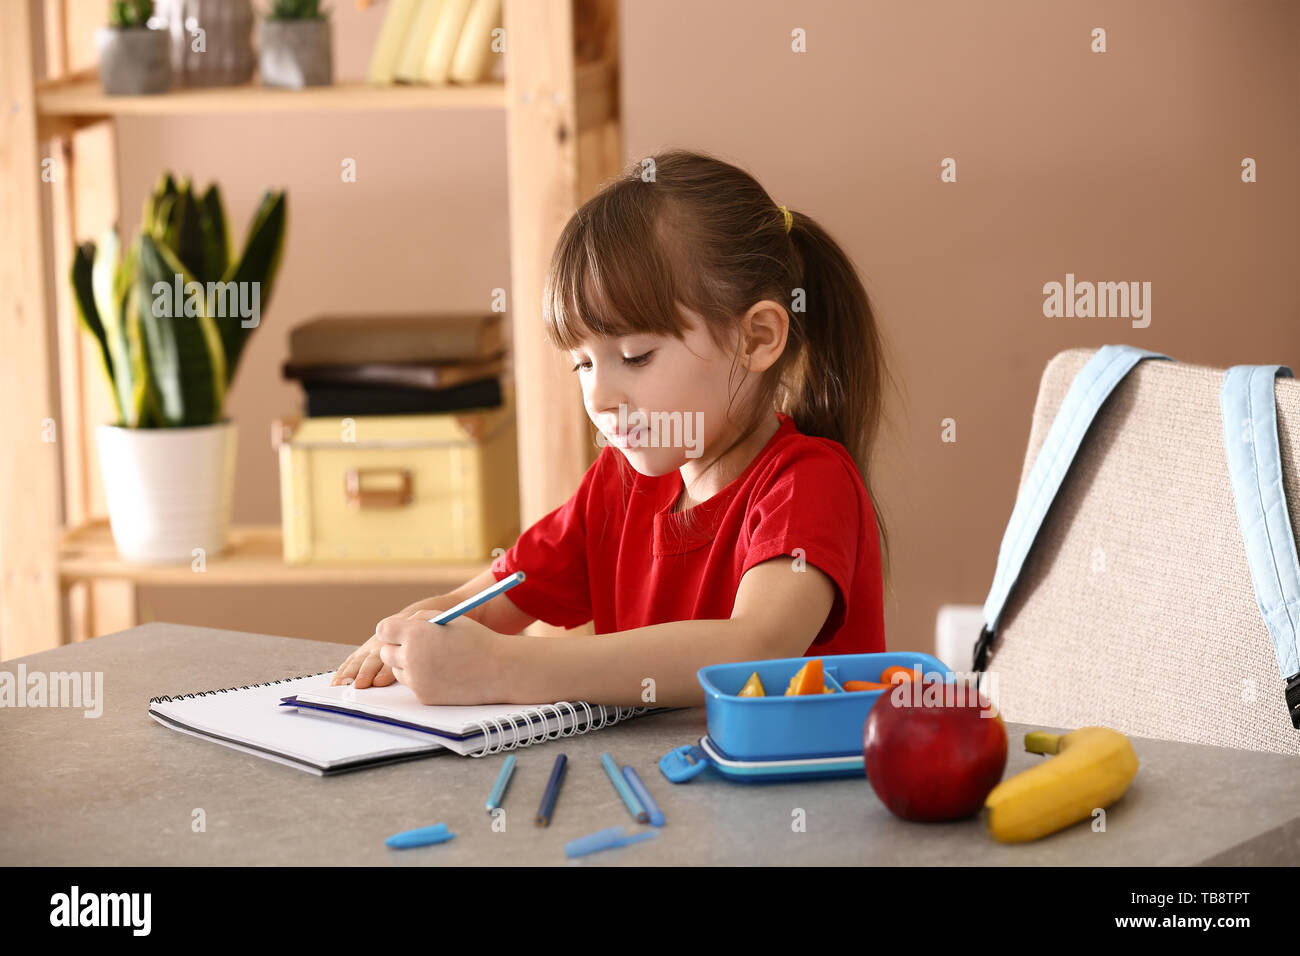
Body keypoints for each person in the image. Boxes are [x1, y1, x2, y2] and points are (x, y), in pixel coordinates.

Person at [331, 149, 896, 708]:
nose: (598, 398)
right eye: (582, 364)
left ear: (756, 338)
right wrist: (422, 625)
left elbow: (754, 647)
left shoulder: (808, 484)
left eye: (636, 355)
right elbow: (497, 595)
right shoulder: (618, 483)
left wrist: (500, 668)